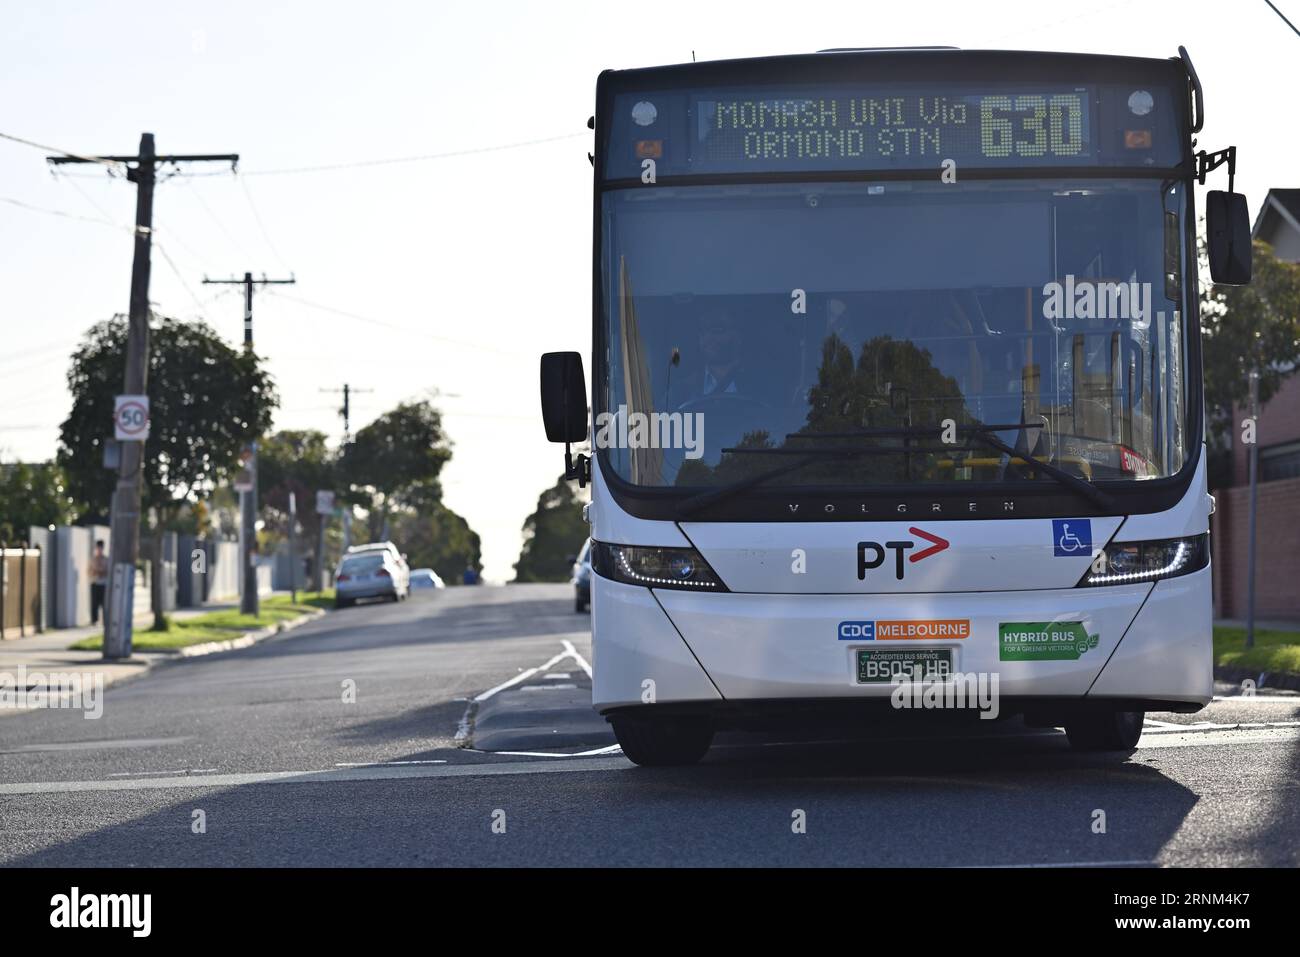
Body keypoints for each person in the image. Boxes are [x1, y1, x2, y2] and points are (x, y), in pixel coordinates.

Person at [89, 540, 109, 624]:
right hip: (95, 582)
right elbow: (89, 571)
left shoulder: (106, 559)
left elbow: (108, 571)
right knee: (94, 603)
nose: (99, 549)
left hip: (103, 583)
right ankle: (94, 620)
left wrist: (102, 572)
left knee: (104, 603)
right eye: (98, 548)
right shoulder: (93, 559)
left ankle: (105, 620)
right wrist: (96, 572)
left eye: (101, 548)